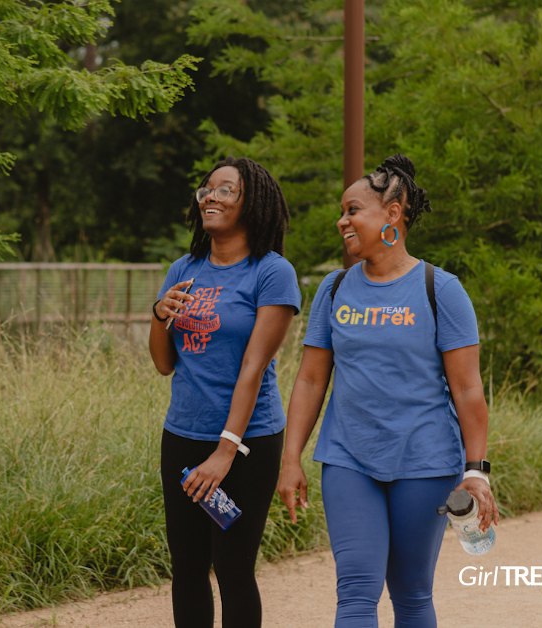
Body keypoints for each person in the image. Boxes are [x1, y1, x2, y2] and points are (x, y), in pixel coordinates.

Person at [276, 154, 499, 627]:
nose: (342, 221)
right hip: (348, 457)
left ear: (392, 214)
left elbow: (467, 389)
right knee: (355, 591)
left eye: (353, 210)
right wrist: (290, 456)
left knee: (412, 593)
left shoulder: (440, 288)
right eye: (343, 212)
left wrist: (476, 471)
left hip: (425, 460)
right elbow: (312, 380)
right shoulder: (334, 290)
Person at [149, 156, 301, 628]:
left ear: (251, 203)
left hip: (247, 442)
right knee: (187, 570)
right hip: (183, 435)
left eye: (226, 190)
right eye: (207, 190)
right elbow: (163, 363)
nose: (211, 197)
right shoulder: (184, 267)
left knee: (233, 570)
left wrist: (224, 452)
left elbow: (253, 369)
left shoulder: (272, 273)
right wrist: (159, 315)